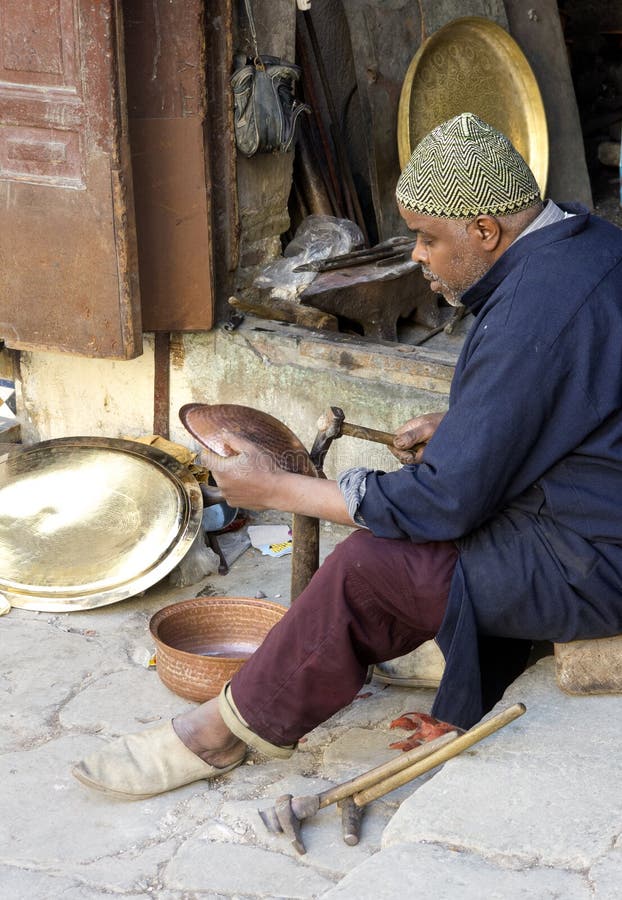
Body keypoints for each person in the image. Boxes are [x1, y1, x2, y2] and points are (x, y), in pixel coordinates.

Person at [72, 112, 622, 800]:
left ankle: (220, 735)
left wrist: (280, 492)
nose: (418, 255)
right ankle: (421, 651)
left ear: (485, 230)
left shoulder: (531, 318)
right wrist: (470, 421)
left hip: (595, 561)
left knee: (370, 567)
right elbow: (580, 389)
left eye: (428, 238)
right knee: (421, 512)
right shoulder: (590, 241)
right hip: (598, 507)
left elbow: (444, 504)